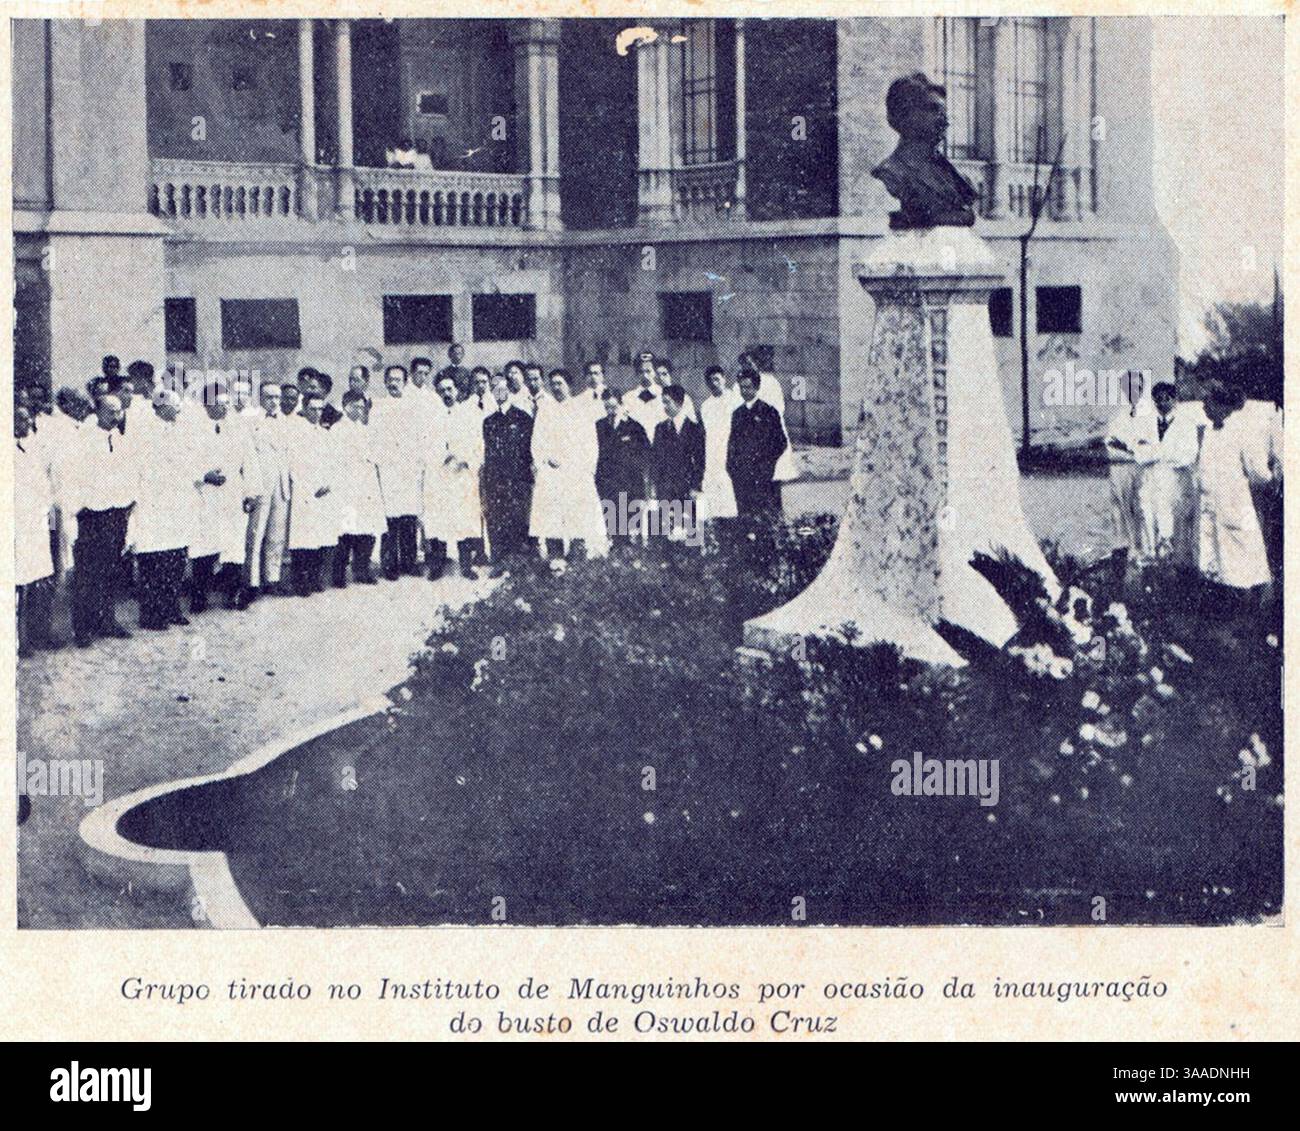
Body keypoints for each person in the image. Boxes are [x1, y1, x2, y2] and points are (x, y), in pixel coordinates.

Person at [68, 392, 137, 645]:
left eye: (120, 411)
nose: (117, 416)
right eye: (111, 411)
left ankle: (107, 621)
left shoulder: (121, 441)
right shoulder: (83, 441)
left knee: (111, 570)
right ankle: (83, 628)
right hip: (92, 516)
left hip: (117, 514)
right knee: (87, 574)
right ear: (97, 412)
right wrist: (82, 507)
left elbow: (129, 473)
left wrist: (128, 501)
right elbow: (74, 478)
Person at [189, 382, 262, 612]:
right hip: (204, 495)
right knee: (203, 546)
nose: (224, 408)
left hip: (232, 495)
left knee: (233, 546)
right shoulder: (193, 428)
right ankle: (199, 598)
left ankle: (233, 594)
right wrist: (203, 476)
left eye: (226, 404)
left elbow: (249, 462)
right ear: (206, 403)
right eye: (219, 404)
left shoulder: (238, 428)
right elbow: (184, 461)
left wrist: (251, 493)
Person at [1197, 383, 1273, 596]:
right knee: (1215, 555)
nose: (1203, 407)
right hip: (1211, 503)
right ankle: (1223, 597)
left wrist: (1266, 480)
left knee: (1242, 554)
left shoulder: (1243, 430)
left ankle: (1249, 603)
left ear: (1221, 404)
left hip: (1235, 502)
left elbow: (1258, 471)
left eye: (1207, 403)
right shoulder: (1209, 431)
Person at [132, 388, 198, 629]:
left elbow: (188, 465)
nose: (179, 410)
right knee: (153, 562)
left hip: (177, 505)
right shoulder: (145, 433)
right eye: (174, 406)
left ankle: (171, 608)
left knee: (175, 559)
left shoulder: (180, 432)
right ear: (161, 407)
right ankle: (151, 614)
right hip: (154, 506)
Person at [529, 369, 608, 560]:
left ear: (569, 385)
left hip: (575, 473)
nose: (556, 387)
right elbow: (537, 441)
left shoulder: (581, 409)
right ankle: (555, 556)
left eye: (560, 383)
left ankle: (577, 553)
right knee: (552, 516)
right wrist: (546, 459)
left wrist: (586, 469)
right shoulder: (545, 410)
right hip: (552, 472)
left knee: (577, 514)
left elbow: (590, 442)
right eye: (553, 384)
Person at [1133, 379, 1201, 567]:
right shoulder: (1145, 424)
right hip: (1151, 483)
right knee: (1149, 523)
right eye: (1158, 399)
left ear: (1174, 400)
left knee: (1175, 532)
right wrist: (1164, 451)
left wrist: (1154, 450)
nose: (1162, 403)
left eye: (1167, 399)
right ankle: (1153, 566)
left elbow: (1188, 455)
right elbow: (1139, 455)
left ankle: (1177, 569)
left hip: (1175, 483)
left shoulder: (1187, 424)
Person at [424, 375, 485, 579]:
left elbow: (478, 442)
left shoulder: (469, 414)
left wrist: (465, 460)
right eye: (442, 390)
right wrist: (442, 456)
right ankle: (437, 566)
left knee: (463, 519)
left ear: (457, 391)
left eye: (450, 389)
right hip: (439, 474)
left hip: (461, 474)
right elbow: (425, 445)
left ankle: (466, 566)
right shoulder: (431, 417)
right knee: (438, 520)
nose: (446, 394)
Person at [15, 403, 62, 655]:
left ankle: (39, 634)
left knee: (39, 581)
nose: (25, 424)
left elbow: (47, 482)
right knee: (17, 585)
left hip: (39, 522)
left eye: (27, 419)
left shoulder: (34, 446)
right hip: (16, 526)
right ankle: (18, 640)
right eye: (19, 420)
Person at [373, 365, 424, 578]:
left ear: (405, 382)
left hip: (408, 470)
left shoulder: (414, 407)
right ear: (385, 382)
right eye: (391, 379)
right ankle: (390, 565)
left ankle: (409, 563)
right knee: (391, 520)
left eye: (398, 379)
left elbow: (420, 439)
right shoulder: (378, 407)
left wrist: (417, 466)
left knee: (409, 519)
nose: (394, 383)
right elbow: (374, 440)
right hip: (389, 471)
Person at [481, 373, 534, 570]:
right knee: (496, 519)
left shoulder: (522, 418)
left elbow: (529, 449)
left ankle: (519, 563)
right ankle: (499, 561)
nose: (499, 392)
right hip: (496, 478)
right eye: (494, 389)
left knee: (519, 518)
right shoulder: (488, 421)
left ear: (510, 391)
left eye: (503, 388)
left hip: (518, 478)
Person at [332, 391, 385, 586]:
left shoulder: (364, 430)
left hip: (366, 485)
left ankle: (361, 570)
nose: (359, 410)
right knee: (346, 530)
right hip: (347, 485)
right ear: (345, 406)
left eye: (362, 407)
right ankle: (338, 574)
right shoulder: (338, 430)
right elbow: (336, 460)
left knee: (367, 529)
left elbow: (375, 455)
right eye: (355, 406)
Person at [247, 381, 293, 600]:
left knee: (277, 534)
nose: (274, 401)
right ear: (260, 399)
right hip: (261, 484)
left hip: (281, 484)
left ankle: (272, 579)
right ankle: (252, 581)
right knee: (256, 534)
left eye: (277, 397)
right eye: (269, 397)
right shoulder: (251, 422)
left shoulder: (286, 422)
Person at [286, 394, 336, 595]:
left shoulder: (324, 434)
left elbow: (330, 462)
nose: (317, 413)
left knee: (320, 537)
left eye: (320, 409)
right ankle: (300, 582)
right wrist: (310, 487)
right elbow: (294, 464)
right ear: (304, 409)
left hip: (323, 492)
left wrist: (327, 484)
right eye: (313, 409)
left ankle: (315, 578)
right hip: (304, 491)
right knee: (303, 539)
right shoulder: (296, 433)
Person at [1104, 371, 1151, 576]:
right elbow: (1110, 442)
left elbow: (1148, 445)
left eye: (1137, 387)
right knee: (1119, 518)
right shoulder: (1120, 416)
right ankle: (1119, 575)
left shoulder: (1150, 415)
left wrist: (1129, 447)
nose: (1132, 392)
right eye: (1128, 388)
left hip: (1140, 471)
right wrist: (1129, 447)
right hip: (1119, 470)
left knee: (1141, 514)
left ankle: (1144, 566)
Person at [726, 366, 788, 519]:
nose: (744, 391)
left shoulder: (768, 411)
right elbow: (732, 443)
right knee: (745, 517)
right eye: (741, 387)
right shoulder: (737, 414)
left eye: (748, 387)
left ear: (757, 387)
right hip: (742, 475)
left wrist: (766, 464)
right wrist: (732, 467)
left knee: (765, 516)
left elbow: (781, 442)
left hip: (763, 475)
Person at [651, 384, 705, 542]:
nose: (665, 406)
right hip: (666, 490)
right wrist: (657, 487)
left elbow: (700, 461)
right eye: (663, 402)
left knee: (690, 535)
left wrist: (695, 487)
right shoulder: (660, 429)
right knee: (666, 535)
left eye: (668, 402)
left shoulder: (694, 429)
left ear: (679, 403)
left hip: (686, 489)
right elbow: (656, 460)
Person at [595, 387, 650, 543]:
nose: (611, 411)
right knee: (613, 526)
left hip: (630, 484)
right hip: (607, 484)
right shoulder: (599, 426)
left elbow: (645, 455)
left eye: (613, 407)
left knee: (631, 525)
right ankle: (617, 557)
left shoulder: (634, 427)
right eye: (607, 408)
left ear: (620, 404)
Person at [738, 349, 797, 482]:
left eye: (750, 363)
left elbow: (778, 403)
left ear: (755, 363)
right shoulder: (740, 385)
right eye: (744, 364)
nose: (748, 366)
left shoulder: (770, 381)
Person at [697, 365, 740, 525]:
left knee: (731, 490)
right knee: (714, 489)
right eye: (710, 380)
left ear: (724, 379)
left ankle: (733, 524)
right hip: (713, 452)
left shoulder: (735, 399)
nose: (714, 383)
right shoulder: (705, 406)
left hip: (731, 449)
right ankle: (716, 525)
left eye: (717, 379)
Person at [623, 352, 665, 439]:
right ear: (636, 373)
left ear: (655, 372)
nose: (645, 376)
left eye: (648, 371)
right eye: (641, 372)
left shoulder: (664, 395)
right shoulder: (628, 398)